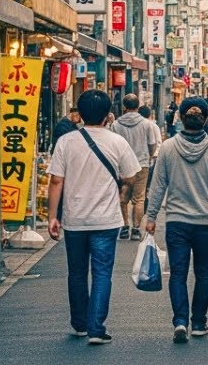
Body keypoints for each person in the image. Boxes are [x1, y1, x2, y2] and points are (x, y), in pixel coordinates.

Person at [47, 89, 141, 345]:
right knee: (101, 273)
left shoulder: (66, 142)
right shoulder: (117, 142)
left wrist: (52, 216)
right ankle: (96, 328)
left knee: (76, 273)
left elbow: (56, 181)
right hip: (106, 219)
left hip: (75, 218)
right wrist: (121, 190)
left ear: (79, 114)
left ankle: (79, 324)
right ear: (108, 116)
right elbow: (131, 176)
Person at [144, 97, 208, 343]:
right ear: (206, 119)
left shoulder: (168, 147)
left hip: (176, 221)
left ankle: (180, 321)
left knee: (178, 273)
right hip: (205, 221)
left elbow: (158, 185)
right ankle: (199, 322)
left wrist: (151, 216)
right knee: (204, 274)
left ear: (180, 118)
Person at [109, 93, 160, 241]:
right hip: (141, 165)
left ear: (124, 107)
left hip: (122, 167)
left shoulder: (116, 124)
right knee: (139, 199)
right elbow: (152, 144)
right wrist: (148, 156)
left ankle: (124, 226)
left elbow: (112, 146)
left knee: (122, 197)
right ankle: (136, 229)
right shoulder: (146, 124)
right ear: (138, 107)